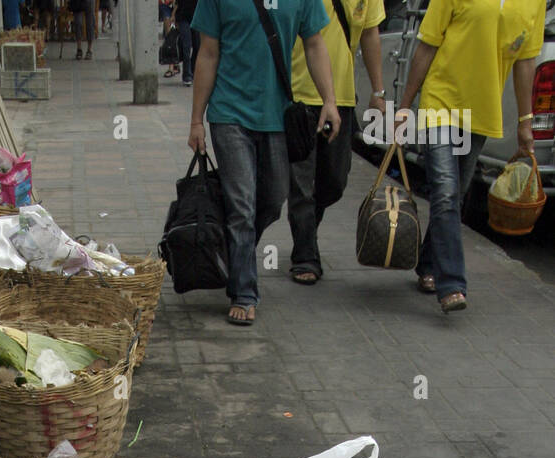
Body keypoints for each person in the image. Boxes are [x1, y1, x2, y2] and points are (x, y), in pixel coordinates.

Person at [189, 0, 340, 324]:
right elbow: (208, 52)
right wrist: (196, 120)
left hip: (277, 116)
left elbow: (314, 43)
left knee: (272, 200)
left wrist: (330, 100)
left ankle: (230, 253)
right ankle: (244, 291)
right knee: (241, 205)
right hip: (229, 114)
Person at [396, 0, 546, 314]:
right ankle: (451, 283)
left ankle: (427, 264)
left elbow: (525, 62)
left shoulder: (534, 3)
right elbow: (427, 46)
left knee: (456, 193)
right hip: (441, 102)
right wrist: (405, 105)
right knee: (447, 190)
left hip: (477, 113)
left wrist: (525, 123)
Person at [287, 0, 387, 285]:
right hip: (299, 95)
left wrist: (377, 90)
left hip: (341, 97)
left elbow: (370, 33)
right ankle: (305, 254)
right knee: (301, 183)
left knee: (334, 181)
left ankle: (308, 228)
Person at [173, 0, 200, 86]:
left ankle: (192, 71)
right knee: (186, 46)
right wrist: (173, 15)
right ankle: (187, 75)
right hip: (183, 18)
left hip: (197, 18)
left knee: (197, 46)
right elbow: (177, 2)